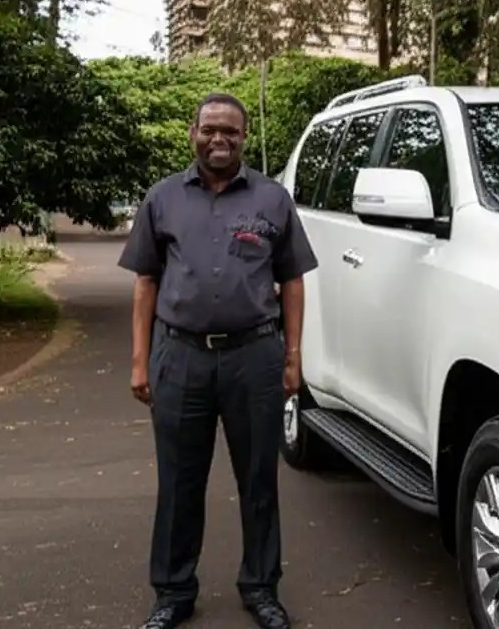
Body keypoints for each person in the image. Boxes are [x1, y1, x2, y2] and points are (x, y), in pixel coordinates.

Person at [117, 93, 318, 629]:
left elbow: (292, 281)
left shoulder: (273, 200)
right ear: (193, 132)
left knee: (258, 479)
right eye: (210, 129)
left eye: (230, 131)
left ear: (243, 137)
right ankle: (174, 591)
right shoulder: (162, 199)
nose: (219, 139)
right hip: (180, 358)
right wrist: (140, 361)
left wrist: (293, 358)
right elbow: (145, 283)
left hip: (254, 357)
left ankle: (261, 587)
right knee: (180, 481)